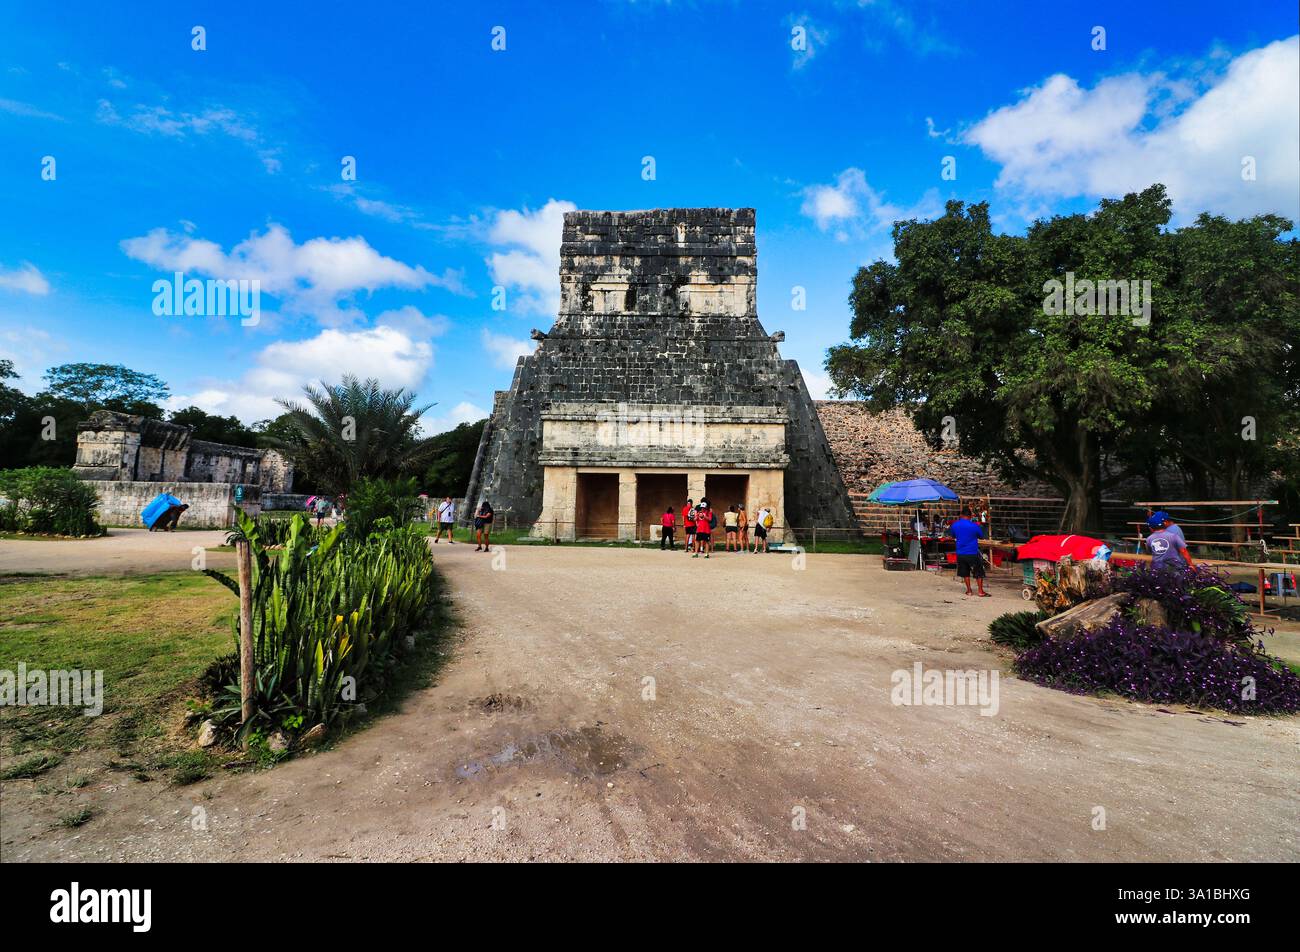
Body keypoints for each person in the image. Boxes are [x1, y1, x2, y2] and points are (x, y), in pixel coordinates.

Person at [949, 506, 988, 597]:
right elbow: (981, 536)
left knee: (965, 572)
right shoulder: (974, 526)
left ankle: (969, 591)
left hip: (960, 553)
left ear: (961, 515)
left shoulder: (955, 525)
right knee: (978, 572)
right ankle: (980, 591)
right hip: (972, 552)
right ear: (970, 516)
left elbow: (953, 536)